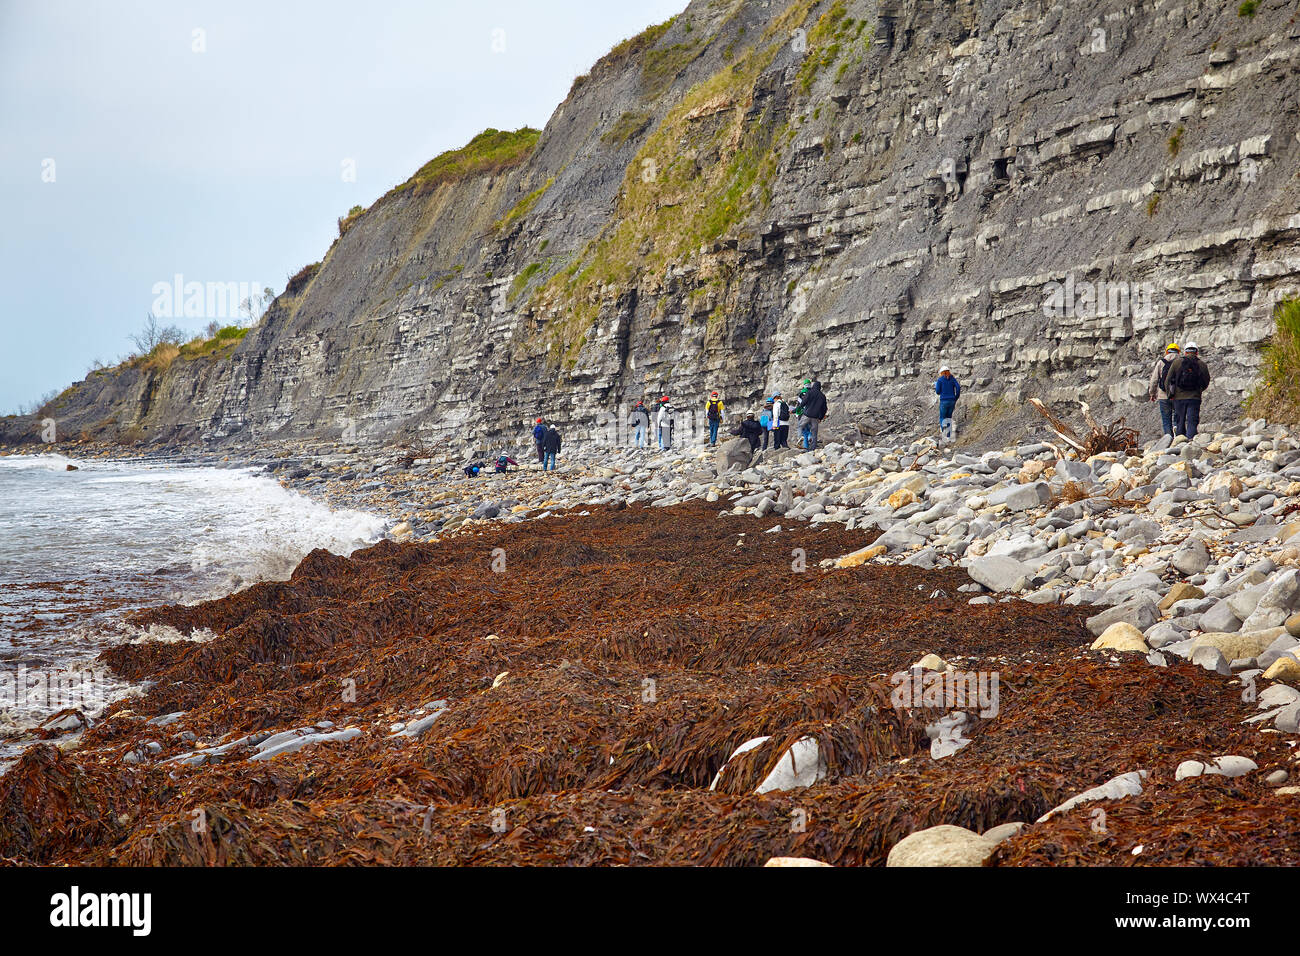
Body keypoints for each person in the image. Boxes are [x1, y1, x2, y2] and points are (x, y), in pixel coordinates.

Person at [1167, 342, 1211, 440]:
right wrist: (1199, 391)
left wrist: (1170, 394)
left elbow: (1168, 380)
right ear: (1197, 352)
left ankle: (1180, 442)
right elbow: (1206, 380)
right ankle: (1191, 442)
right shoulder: (1202, 364)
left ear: (1185, 352)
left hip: (1178, 398)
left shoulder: (1177, 362)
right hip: (1194, 398)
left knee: (1180, 421)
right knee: (1192, 421)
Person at [1147, 344, 1181, 437]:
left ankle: (1168, 438)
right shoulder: (1182, 361)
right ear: (1178, 352)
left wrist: (1152, 393)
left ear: (1167, 351)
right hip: (1178, 395)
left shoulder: (1161, 362)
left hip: (1163, 395)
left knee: (1166, 419)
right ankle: (1177, 433)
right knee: (1178, 416)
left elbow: (1154, 380)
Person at [934, 365, 961, 442]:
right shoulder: (952, 379)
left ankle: (944, 435)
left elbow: (938, 392)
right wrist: (956, 397)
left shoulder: (940, 380)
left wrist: (936, 385)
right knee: (949, 418)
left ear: (941, 373)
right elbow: (958, 388)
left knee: (942, 417)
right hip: (952, 400)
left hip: (944, 401)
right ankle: (948, 436)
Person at [801, 380, 828, 450]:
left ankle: (804, 444)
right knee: (814, 433)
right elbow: (824, 408)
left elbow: (803, 403)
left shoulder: (809, 393)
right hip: (815, 417)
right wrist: (820, 418)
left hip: (807, 415)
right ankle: (812, 448)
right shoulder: (822, 396)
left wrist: (796, 410)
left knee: (801, 427)